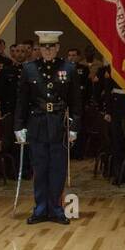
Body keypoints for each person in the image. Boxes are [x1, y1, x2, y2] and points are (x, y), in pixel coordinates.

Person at [14, 31, 82, 223]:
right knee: (40, 167)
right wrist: (18, 126)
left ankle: (56, 208)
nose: (48, 50)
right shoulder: (29, 69)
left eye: (52, 46)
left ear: (58, 47)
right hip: (37, 123)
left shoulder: (68, 68)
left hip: (59, 124)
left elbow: (76, 103)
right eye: (44, 46)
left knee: (58, 168)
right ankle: (40, 208)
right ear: (39, 49)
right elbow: (22, 101)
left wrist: (74, 127)